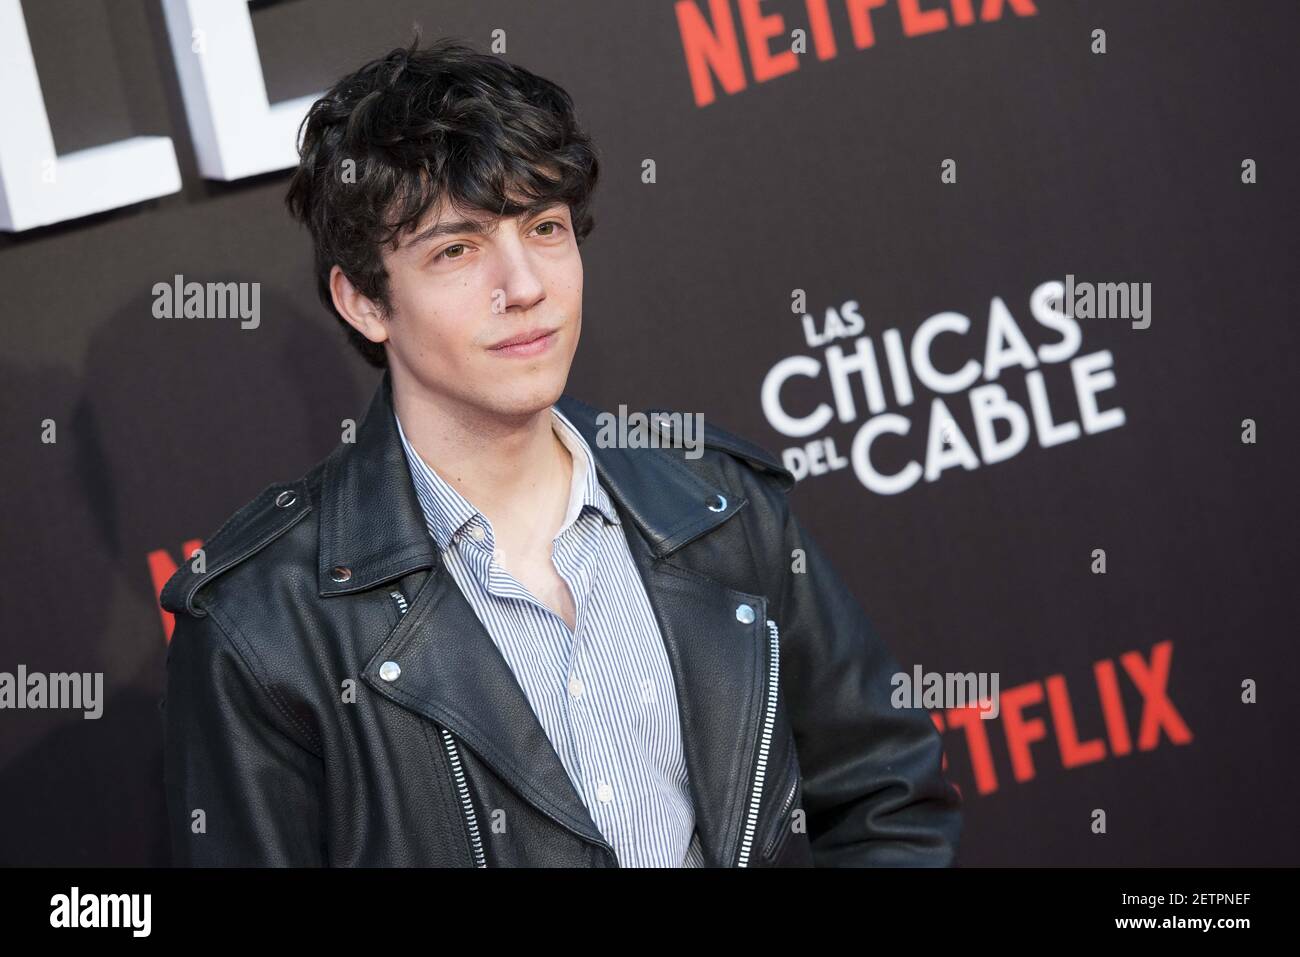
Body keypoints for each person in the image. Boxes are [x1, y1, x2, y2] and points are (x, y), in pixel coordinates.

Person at [160, 36, 962, 867]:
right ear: (363, 300)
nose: (526, 286)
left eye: (545, 227)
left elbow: (887, 796)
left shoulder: (717, 505)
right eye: (457, 249)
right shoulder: (263, 629)